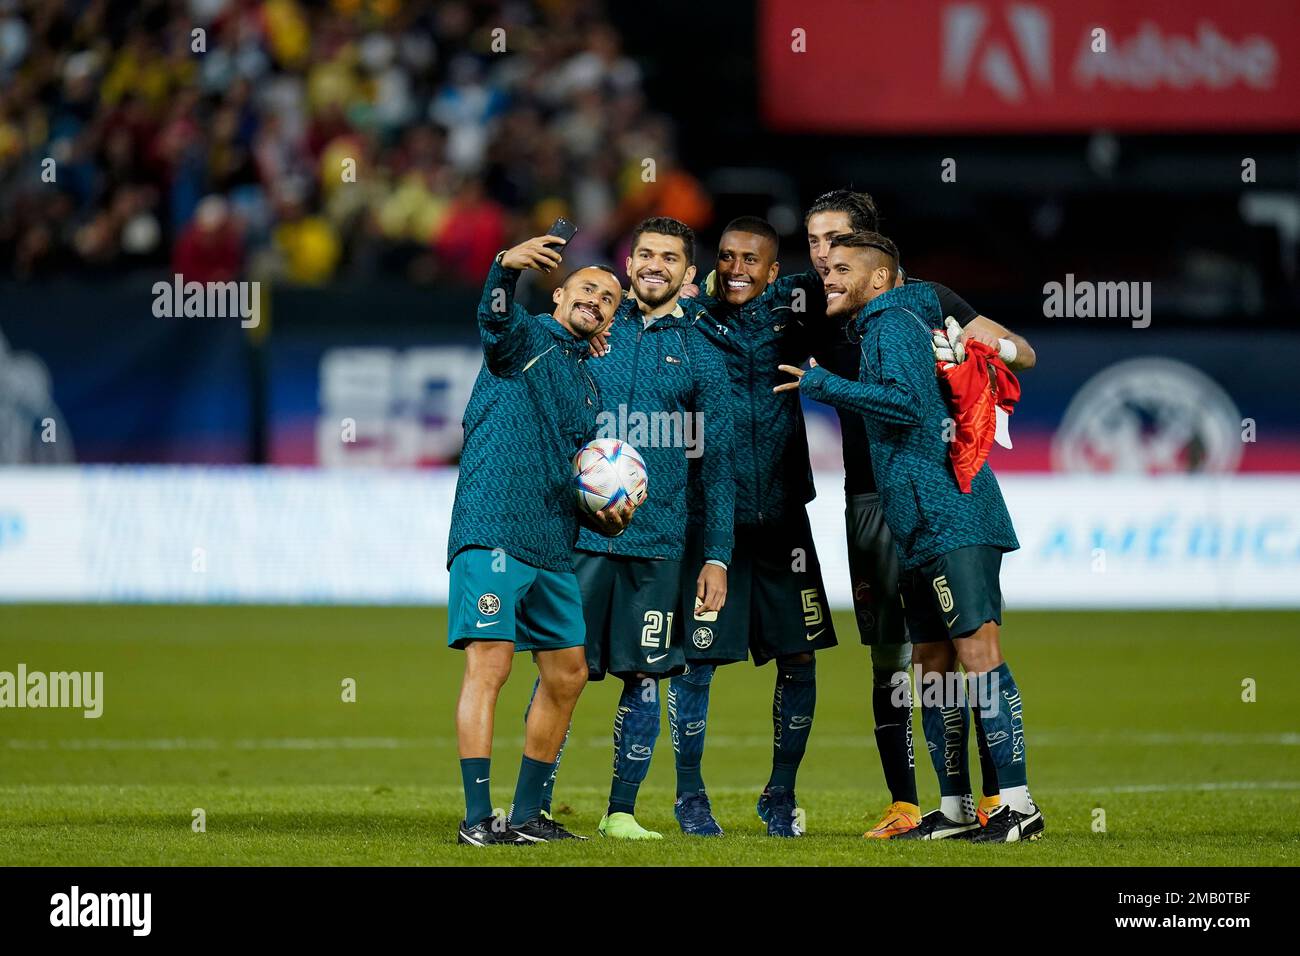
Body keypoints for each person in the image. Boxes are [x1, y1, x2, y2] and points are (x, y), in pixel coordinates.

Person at [779, 231, 1044, 843]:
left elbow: (908, 407)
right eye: (826, 270)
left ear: (878, 278)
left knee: (976, 654)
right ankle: (952, 807)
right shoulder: (899, 319)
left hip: (953, 512)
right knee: (931, 662)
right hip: (921, 520)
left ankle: (1019, 804)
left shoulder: (892, 321)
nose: (829, 280)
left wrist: (825, 386)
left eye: (842, 269)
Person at [526, 216, 735, 840]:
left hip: (660, 544)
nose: (654, 265)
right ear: (628, 262)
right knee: (561, 673)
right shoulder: (590, 333)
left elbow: (718, 463)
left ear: (687, 274)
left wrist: (717, 556)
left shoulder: (702, 352)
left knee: (644, 676)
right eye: (645, 253)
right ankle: (531, 806)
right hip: (579, 541)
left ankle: (621, 811)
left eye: (669, 258)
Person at [449, 234, 634, 846]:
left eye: (610, 298)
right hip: (495, 530)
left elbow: (570, 473)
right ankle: (478, 820)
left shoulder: (589, 386)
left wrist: (601, 515)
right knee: (491, 668)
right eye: (587, 289)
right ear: (559, 294)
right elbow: (493, 317)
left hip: (553, 542)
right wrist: (503, 267)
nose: (598, 301)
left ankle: (526, 816)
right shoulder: (523, 339)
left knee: (569, 672)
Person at [671, 216, 836, 837]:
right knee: (697, 661)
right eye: (727, 257)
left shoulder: (798, 311)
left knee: (800, 656)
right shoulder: (693, 320)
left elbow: (858, 278)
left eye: (751, 261)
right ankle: (690, 797)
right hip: (709, 522)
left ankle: (779, 793)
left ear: (773, 271)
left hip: (783, 520)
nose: (736, 270)